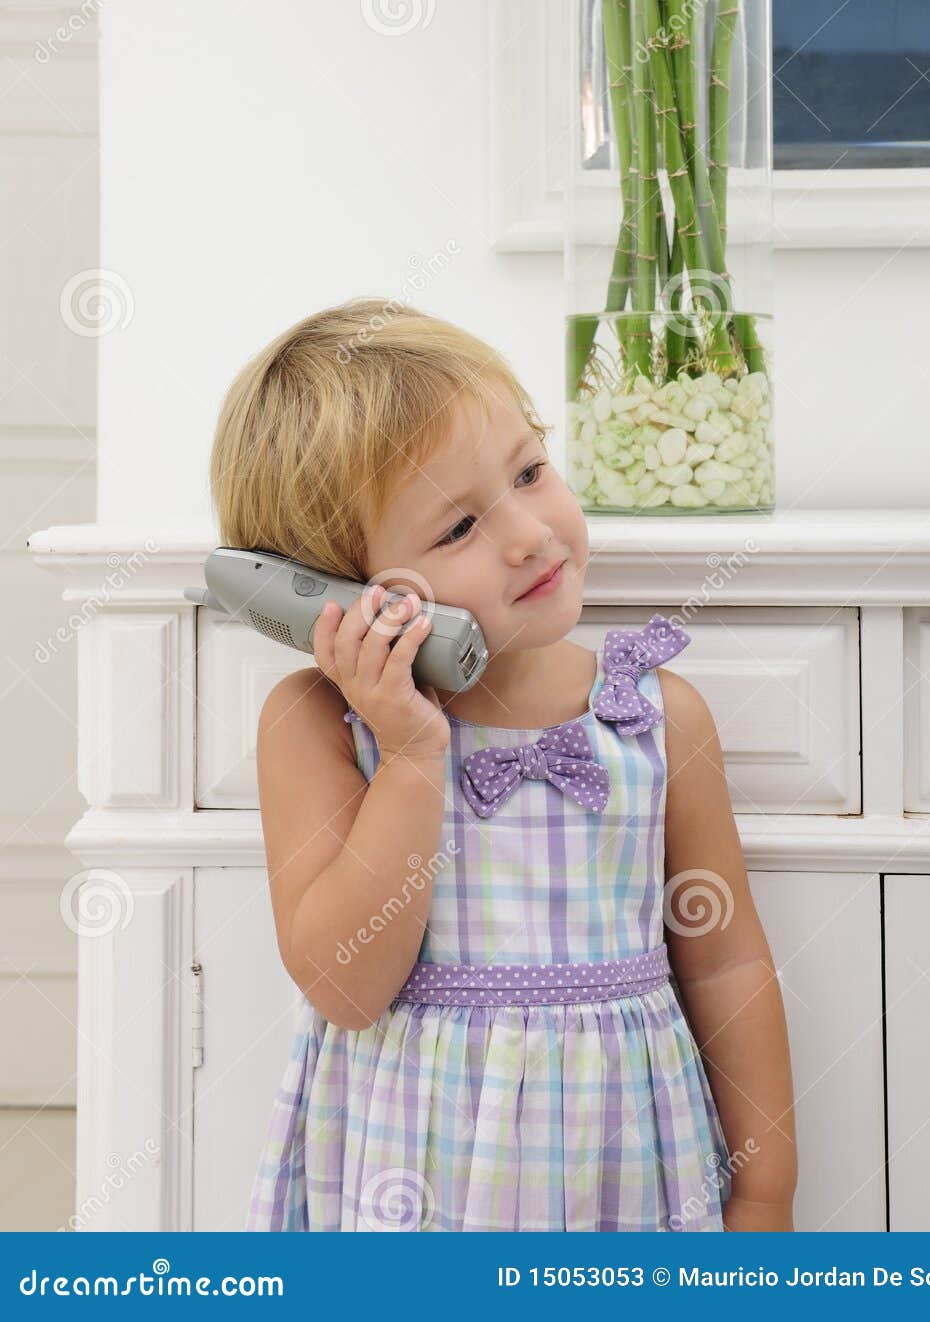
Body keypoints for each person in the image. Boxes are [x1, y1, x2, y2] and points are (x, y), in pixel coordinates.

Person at [209, 297, 796, 1232]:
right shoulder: (321, 728)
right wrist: (409, 754)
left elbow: (725, 965)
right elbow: (345, 987)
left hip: (625, 1182)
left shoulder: (653, 717)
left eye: (529, 470)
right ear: (341, 594)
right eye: (456, 530)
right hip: (410, 1189)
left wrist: (765, 1192)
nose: (527, 533)